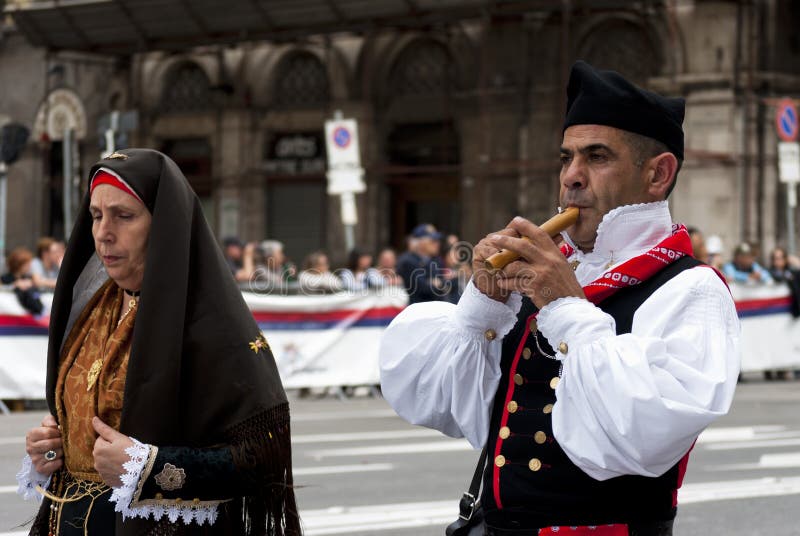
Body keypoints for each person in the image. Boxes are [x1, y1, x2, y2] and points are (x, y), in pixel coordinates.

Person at [380, 61, 740, 534]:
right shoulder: (549, 271)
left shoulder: (691, 288)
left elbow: (643, 433)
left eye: (597, 157)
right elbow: (447, 407)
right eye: (566, 158)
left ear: (658, 174)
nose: (571, 177)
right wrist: (482, 306)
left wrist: (568, 308)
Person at [17, 149, 300, 535]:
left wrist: (148, 469)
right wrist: (52, 448)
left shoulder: (208, 321)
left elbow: (259, 458)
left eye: (124, 216)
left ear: (165, 225)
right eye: (96, 215)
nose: (103, 232)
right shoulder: (91, 311)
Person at [395, 224, 445, 304]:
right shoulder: (408, 261)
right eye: (433, 241)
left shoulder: (435, 260)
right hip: (417, 307)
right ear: (420, 242)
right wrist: (437, 284)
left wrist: (438, 283)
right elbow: (422, 289)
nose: (437, 244)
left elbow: (443, 283)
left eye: (437, 241)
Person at [2, 246, 44, 315]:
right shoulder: (4, 278)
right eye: (27, 264)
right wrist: (14, 285)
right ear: (19, 264)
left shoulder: (29, 279)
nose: (29, 266)